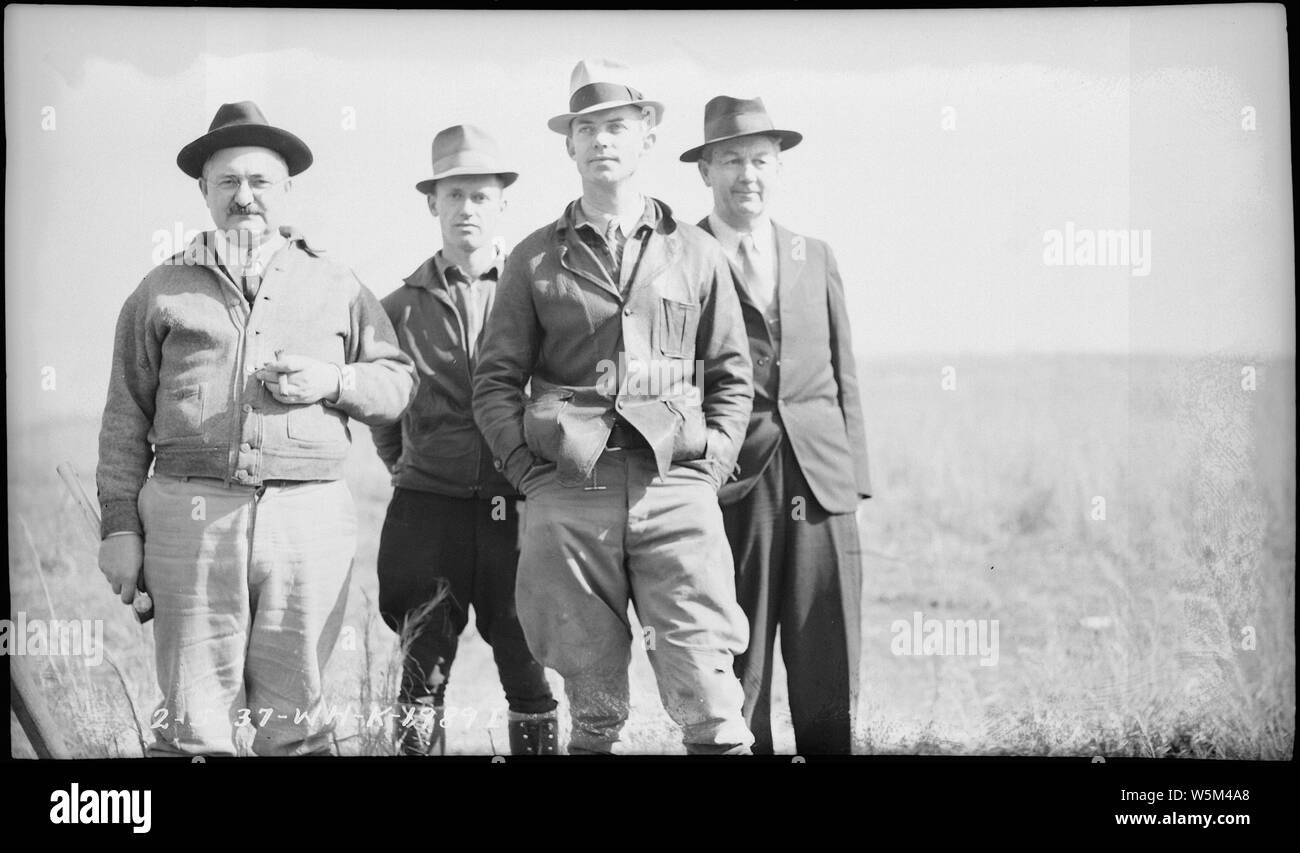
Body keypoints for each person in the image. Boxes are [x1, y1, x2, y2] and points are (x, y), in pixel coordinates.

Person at [96, 101, 416, 757]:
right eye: (228, 183)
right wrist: (120, 527)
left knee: (294, 722)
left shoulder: (337, 282)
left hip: (309, 521)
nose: (245, 197)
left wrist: (334, 380)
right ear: (205, 192)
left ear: (287, 189)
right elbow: (124, 416)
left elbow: (396, 382)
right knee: (193, 727)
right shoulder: (160, 289)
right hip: (189, 520)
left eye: (260, 182)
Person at [473, 59, 756, 755]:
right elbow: (494, 380)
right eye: (587, 129)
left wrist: (708, 471)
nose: (602, 140)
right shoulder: (536, 259)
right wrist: (530, 476)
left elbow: (732, 374)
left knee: (712, 704)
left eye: (618, 127)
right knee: (593, 710)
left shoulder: (695, 251)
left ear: (647, 138)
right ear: (570, 145)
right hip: (570, 494)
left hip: (676, 491)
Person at [683, 95, 872, 754]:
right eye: (730, 159)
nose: (747, 174)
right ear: (705, 169)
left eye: (761, 159)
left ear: (779, 166)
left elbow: (843, 371)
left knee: (828, 656)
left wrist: (854, 480)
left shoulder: (814, 255)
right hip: (730, 483)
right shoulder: (681, 255)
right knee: (742, 660)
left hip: (822, 485)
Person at [372, 125, 558, 756]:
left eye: (480, 196)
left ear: (502, 202)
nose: (467, 209)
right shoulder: (398, 305)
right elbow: (384, 405)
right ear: (433, 203)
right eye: (454, 195)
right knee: (422, 668)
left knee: (526, 660)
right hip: (429, 507)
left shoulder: (536, 289)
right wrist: (415, 467)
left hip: (518, 505)